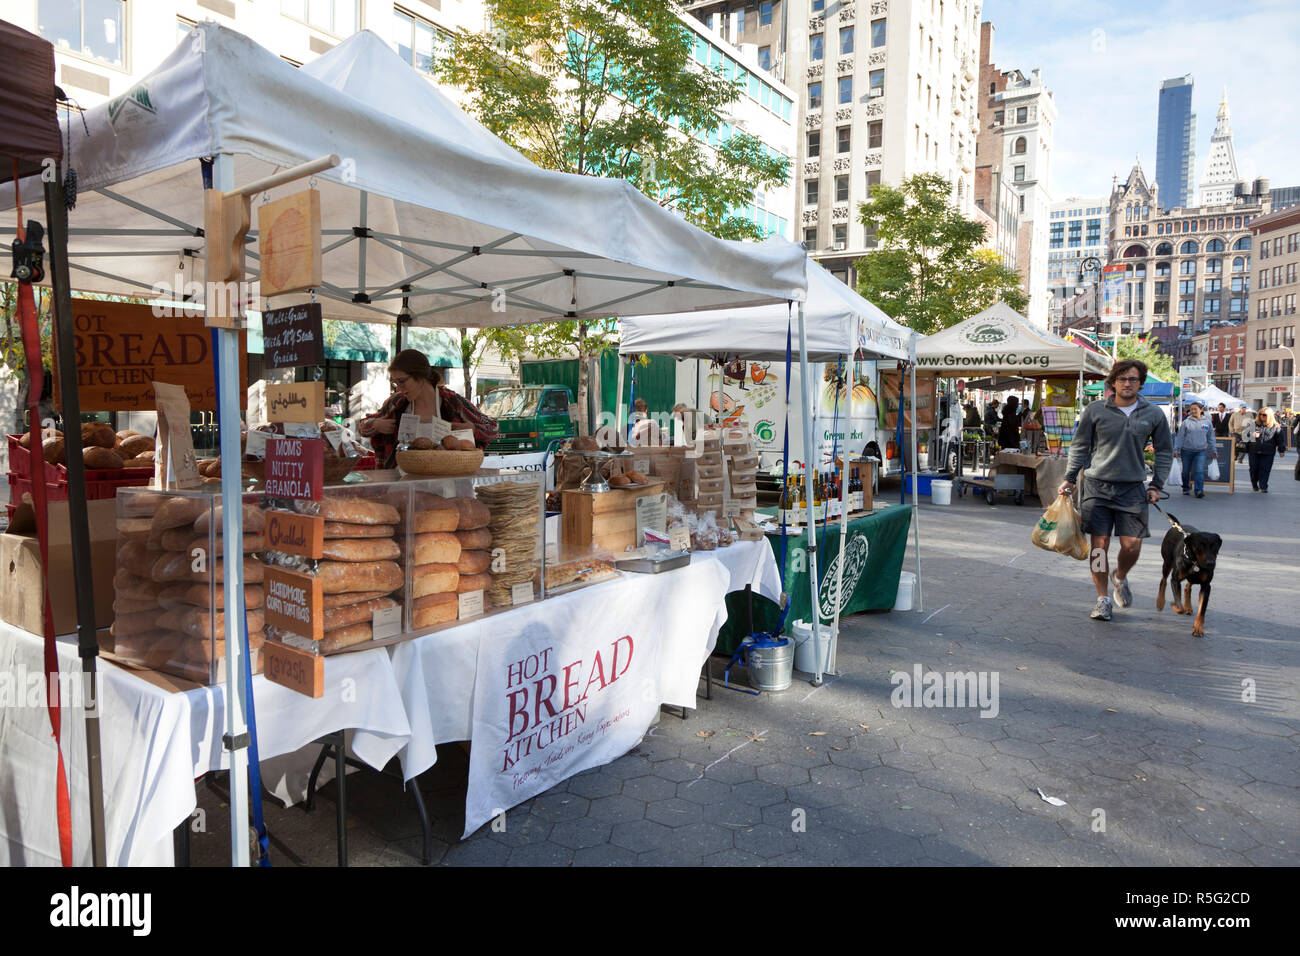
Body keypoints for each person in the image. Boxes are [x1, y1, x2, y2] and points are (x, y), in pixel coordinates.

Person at [1057, 359, 1174, 622]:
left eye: (1132, 379)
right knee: (1099, 547)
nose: (1127, 383)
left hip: (1133, 489)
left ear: (1140, 383)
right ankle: (1102, 598)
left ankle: (1119, 576)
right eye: (1122, 379)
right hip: (1097, 487)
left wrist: (1156, 485)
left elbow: (1165, 451)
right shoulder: (1095, 410)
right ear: (1113, 382)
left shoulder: (1154, 414)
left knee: (1132, 546)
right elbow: (1080, 446)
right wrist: (1070, 477)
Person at [358, 349, 499, 468]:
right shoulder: (397, 404)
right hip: (403, 483)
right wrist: (376, 425)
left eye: (402, 381)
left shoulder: (452, 402)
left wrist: (472, 429)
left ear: (420, 376)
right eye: (396, 383)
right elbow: (363, 426)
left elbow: (493, 428)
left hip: (448, 484)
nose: (399, 388)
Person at [1173, 401, 1217, 498]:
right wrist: (1176, 450)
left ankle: (1199, 490)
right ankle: (1185, 488)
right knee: (1185, 471)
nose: (1193, 411)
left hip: (1201, 451)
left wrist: (1214, 450)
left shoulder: (1207, 422)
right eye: (1191, 409)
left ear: (1201, 410)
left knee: (1199, 471)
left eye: (1195, 409)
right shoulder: (1186, 422)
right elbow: (1180, 437)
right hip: (1187, 450)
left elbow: (1211, 438)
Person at [1241, 407, 1288, 492]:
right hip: (1254, 450)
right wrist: (1252, 435)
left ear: (1269, 416)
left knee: (1265, 469)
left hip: (1268, 451)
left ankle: (1263, 486)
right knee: (1253, 469)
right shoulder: (1253, 424)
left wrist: (1281, 450)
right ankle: (1254, 484)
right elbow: (1244, 437)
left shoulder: (1275, 426)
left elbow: (1280, 440)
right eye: (1260, 414)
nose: (1262, 416)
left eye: (1264, 415)